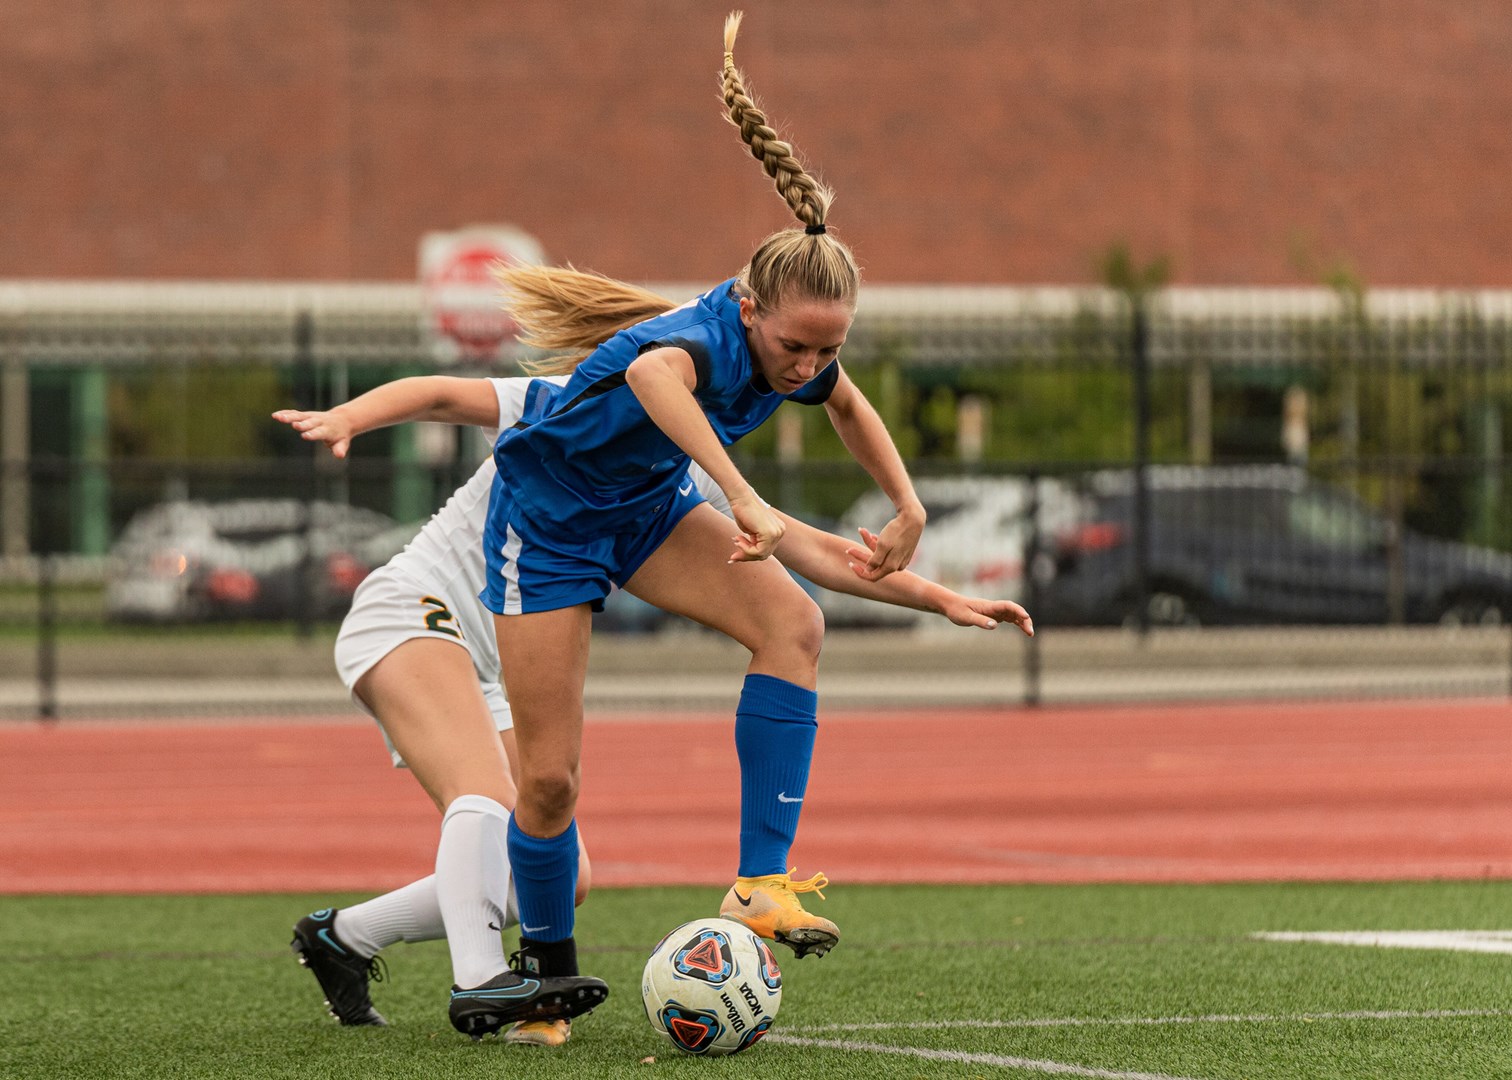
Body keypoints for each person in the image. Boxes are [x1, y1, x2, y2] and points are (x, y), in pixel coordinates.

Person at [465, 8, 968, 1037]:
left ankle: (758, 882)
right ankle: (544, 981)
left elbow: (845, 404)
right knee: (550, 780)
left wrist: (909, 507)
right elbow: (654, 374)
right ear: (748, 305)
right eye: (793, 347)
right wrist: (740, 494)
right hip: (548, 525)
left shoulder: (804, 349)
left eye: (825, 349)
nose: (805, 367)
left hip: (644, 512)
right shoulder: (694, 335)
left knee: (795, 628)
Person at [274, 372, 1032, 1044]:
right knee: (484, 796)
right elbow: (439, 392)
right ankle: (482, 983)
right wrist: (348, 418)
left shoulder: (675, 476)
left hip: (492, 661)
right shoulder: (576, 403)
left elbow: (810, 550)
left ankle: (342, 937)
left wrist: (940, 598)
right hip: (413, 612)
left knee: (557, 875)